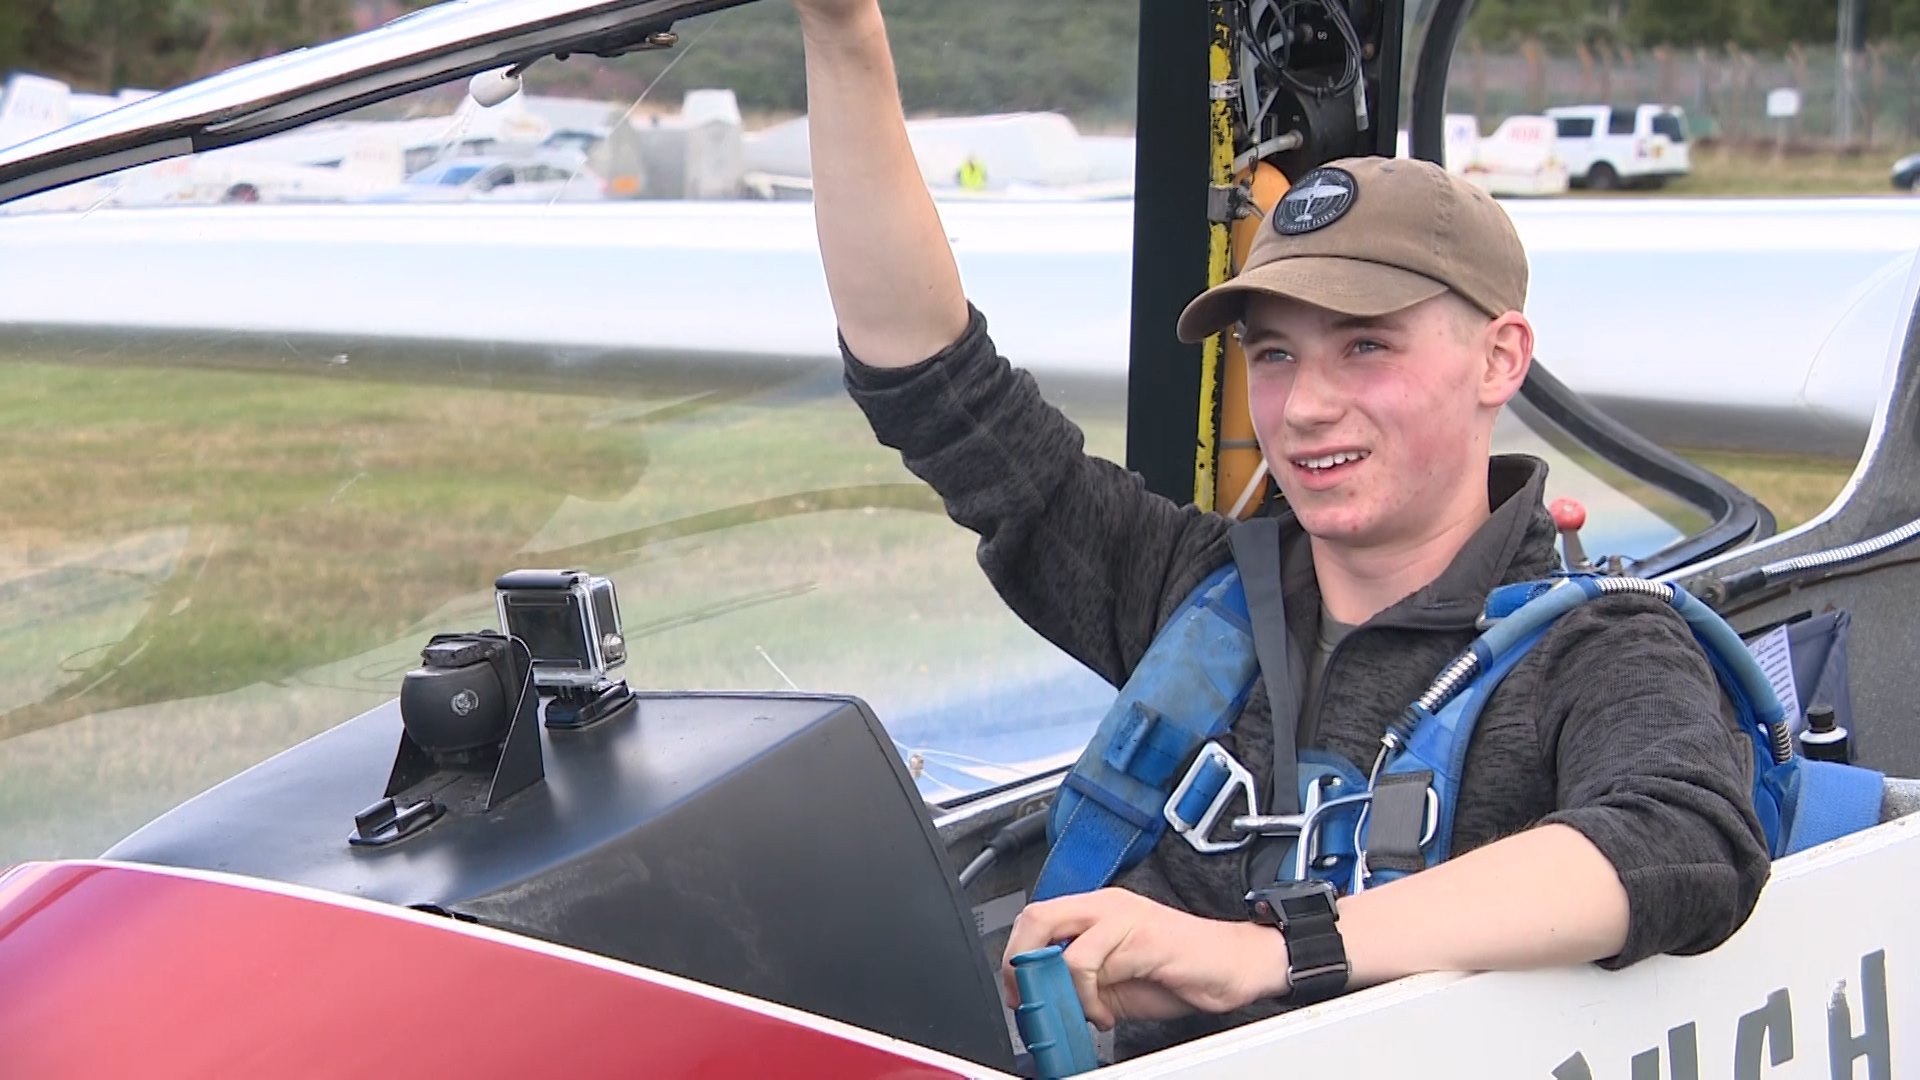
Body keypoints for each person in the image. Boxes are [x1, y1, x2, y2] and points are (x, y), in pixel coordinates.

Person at [790, 0, 1770, 1061]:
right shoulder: (1192, 592)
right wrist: (846, 36)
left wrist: (1267, 953)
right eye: (1274, 355)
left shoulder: (1598, 645)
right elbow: (935, 391)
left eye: (1365, 348)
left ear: (1499, 359)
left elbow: (1685, 839)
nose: (1303, 408)